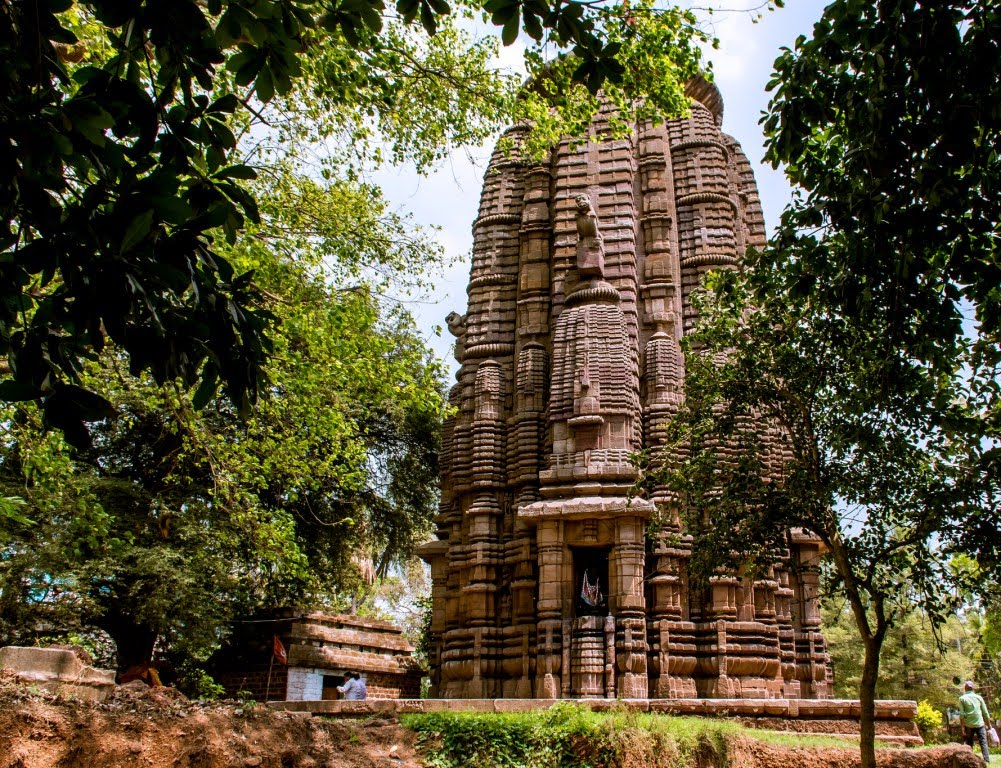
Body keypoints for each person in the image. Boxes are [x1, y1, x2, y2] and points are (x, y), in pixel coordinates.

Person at [958, 680, 992, 763]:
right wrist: (989, 725)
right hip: (980, 724)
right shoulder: (979, 697)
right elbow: (985, 713)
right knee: (983, 743)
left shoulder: (962, 698)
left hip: (968, 725)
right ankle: (986, 761)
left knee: (969, 744)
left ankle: (969, 761)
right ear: (973, 688)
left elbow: (962, 714)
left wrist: (962, 728)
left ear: (965, 688)